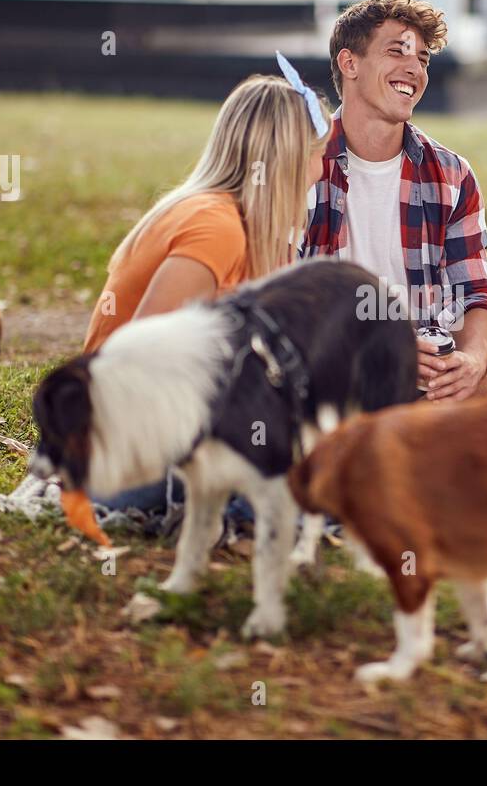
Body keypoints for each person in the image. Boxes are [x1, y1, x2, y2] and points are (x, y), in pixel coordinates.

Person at [17, 65, 331, 523]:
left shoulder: (242, 228)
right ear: (284, 160)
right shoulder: (215, 228)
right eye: (317, 155)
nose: (322, 171)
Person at [301, 0, 487, 402]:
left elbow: (475, 296)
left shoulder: (450, 173)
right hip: (333, 373)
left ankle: (396, 437)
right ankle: (408, 439)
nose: (415, 68)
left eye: (423, 59)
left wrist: (473, 362)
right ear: (349, 63)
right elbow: (279, 304)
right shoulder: (302, 162)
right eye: (398, 52)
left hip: (425, 383)